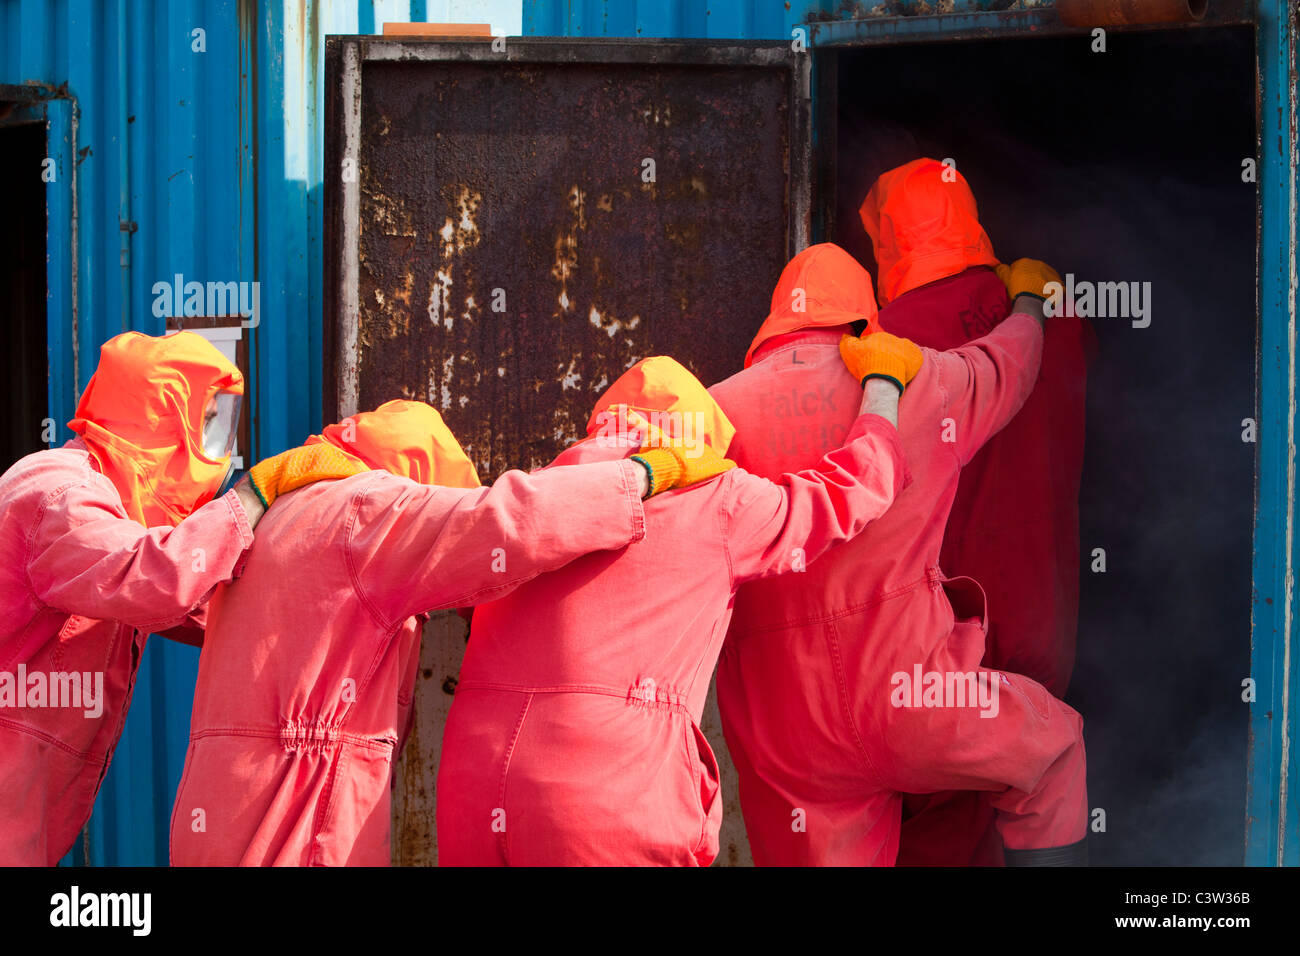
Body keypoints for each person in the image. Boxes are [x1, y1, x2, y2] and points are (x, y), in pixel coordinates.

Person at [169, 399, 722, 866]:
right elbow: (507, 520)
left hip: (217, 800)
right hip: (297, 809)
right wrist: (643, 477)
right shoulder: (373, 510)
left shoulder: (281, 515)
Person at [437, 345, 916, 866]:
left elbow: (474, 600)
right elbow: (848, 492)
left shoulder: (539, 494)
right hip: (609, 797)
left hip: (472, 788)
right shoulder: (718, 500)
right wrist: (883, 385)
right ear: (704, 439)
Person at [710, 244, 1089, 866]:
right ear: (864, 321)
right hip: (917, 698)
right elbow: (1008, 365)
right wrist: (1028, 301)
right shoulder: (918, 379)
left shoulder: (715, 415)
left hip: (788, 738)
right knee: (1054, 747)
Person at [0, 331, 340, 865]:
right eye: (206, 425)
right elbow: (152, 579)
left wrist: (320, 595)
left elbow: (197, 606)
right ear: (160, 421)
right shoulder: (59, 493)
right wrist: (256, 494)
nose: (217, 456)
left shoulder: (112, 512)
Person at [862, 158, 1095, 865]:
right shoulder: (1063, 320)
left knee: (940, 830)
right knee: (1040, 795)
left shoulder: (885, 340)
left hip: (942, 637)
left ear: (890, 241)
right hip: (1045, 620)